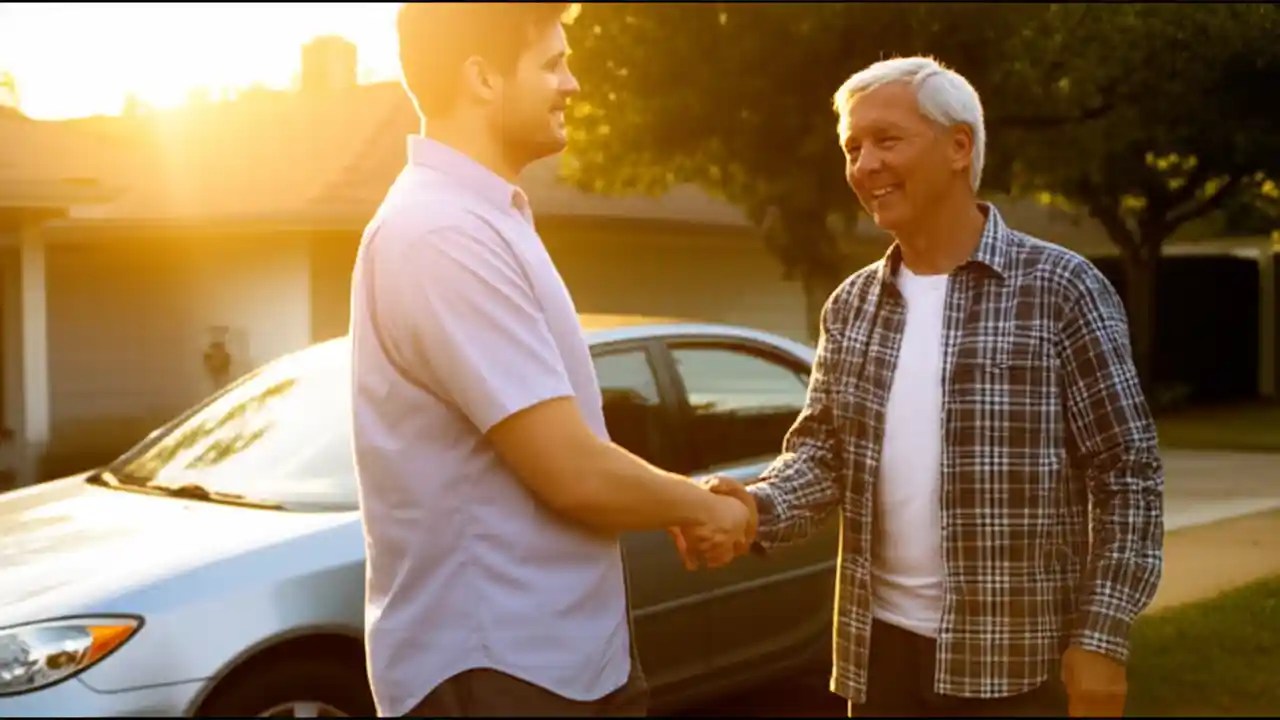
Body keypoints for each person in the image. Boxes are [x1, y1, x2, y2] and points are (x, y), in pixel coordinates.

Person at [683, 56, 1164, 718]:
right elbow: (823, 456)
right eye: (853, 148)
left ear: (959, 146)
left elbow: (1127, 475)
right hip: (880, 660)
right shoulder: (852, 305)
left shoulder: (1063, 289)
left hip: (1017, 662)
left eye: (886, 140)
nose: (865, 165)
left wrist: (1102, 636)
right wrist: (752, 508)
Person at [348, 3, 752, 717]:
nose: (573, 84)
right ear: (481, 77)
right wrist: (697, 506)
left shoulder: (484, 217)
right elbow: (569, 469)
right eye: (553, 64)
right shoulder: (440, 234)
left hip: (557, 663)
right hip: (499, 672)